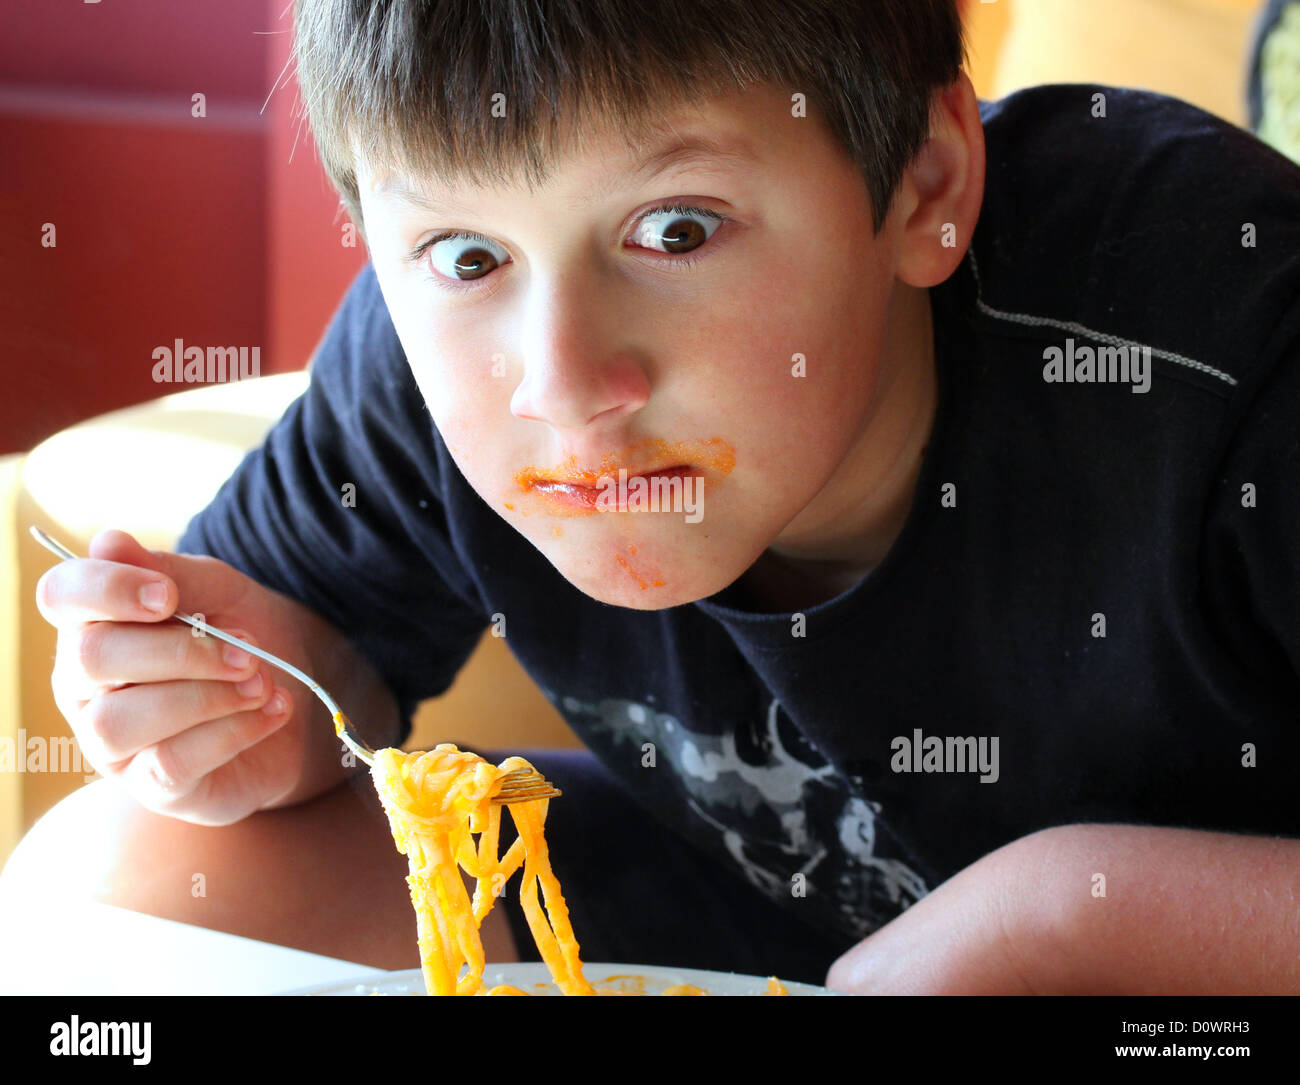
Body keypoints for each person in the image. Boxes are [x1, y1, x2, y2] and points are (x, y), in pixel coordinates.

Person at [13, 0, 1300, 993]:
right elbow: (314, 671)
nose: (564, 384)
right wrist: (246, 707)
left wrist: (1069, 913)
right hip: (760, 908)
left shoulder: (1226, 339)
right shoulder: (425, 369)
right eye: (466, 254)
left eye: (675, 230)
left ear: (926, 185)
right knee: (128, 864)